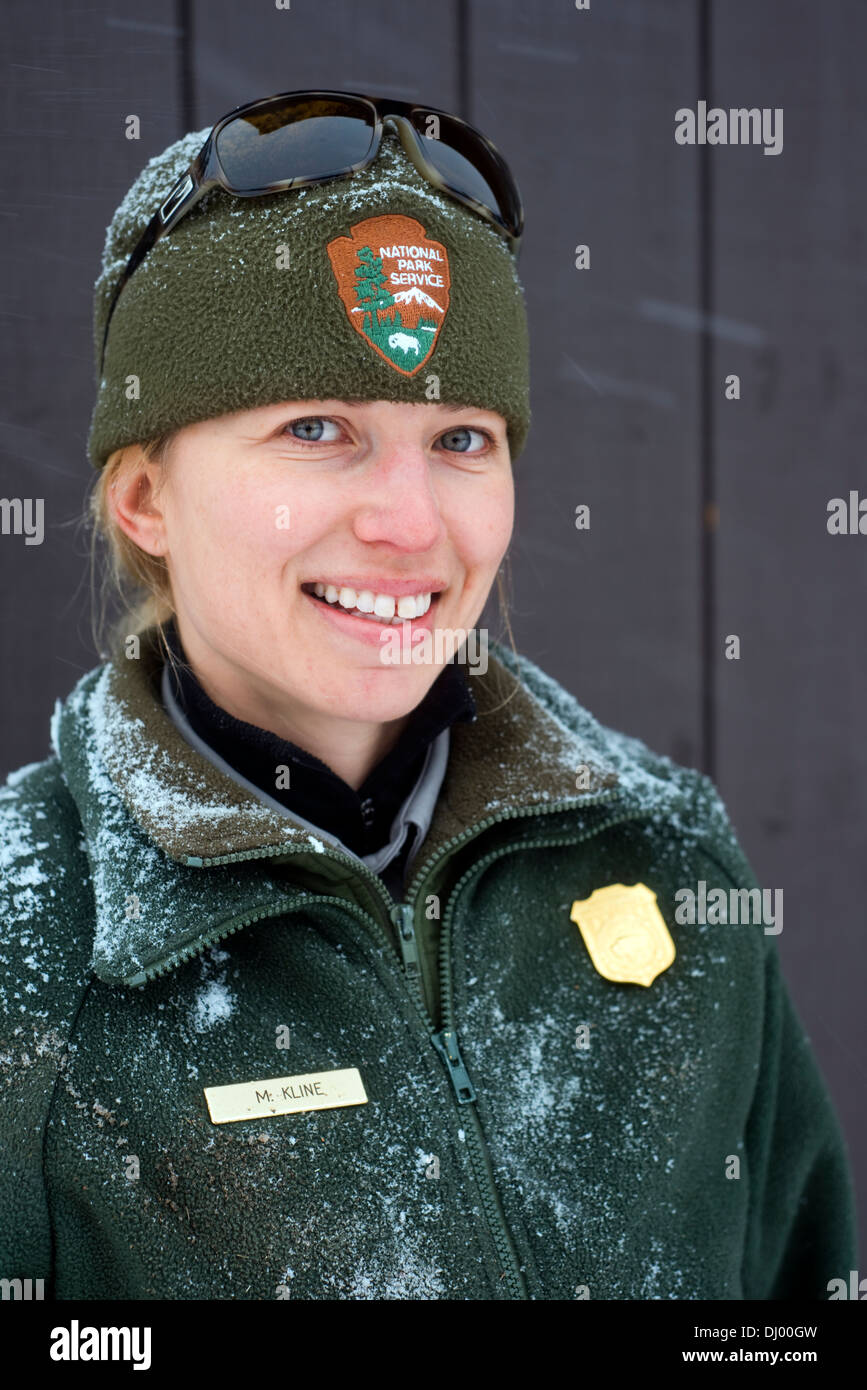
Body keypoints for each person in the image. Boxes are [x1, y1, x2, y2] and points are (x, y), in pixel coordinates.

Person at [0, 90, 857, 1302]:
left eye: (461, 439)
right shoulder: (28, 954)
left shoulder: (673, 860)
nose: (411, 524)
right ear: (144, 498)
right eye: (316, 428)